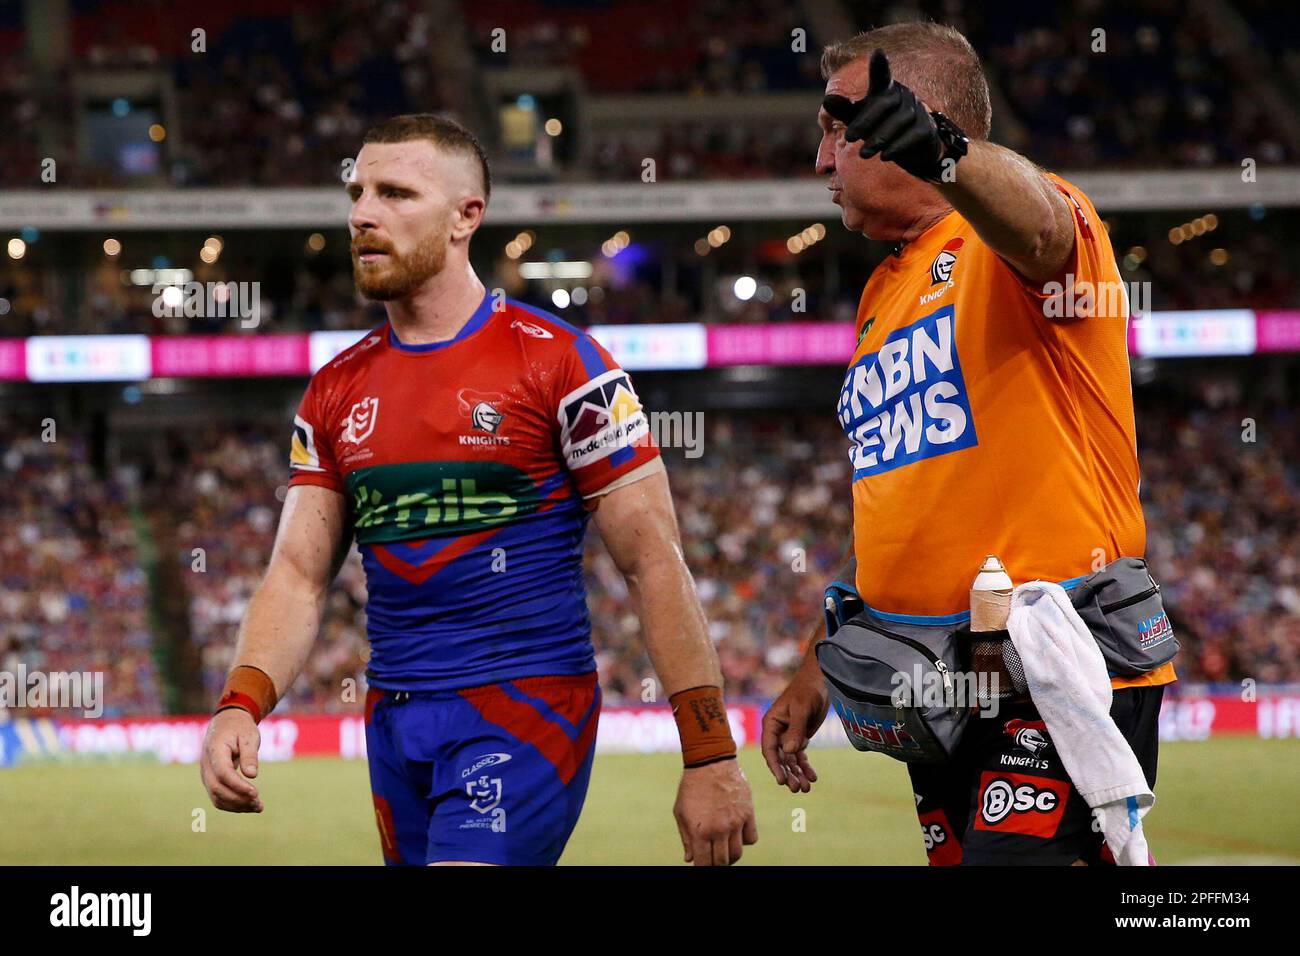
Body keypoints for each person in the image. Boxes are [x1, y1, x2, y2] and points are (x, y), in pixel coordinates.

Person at [199, 113, 757, 866]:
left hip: (524, 707)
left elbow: (652, 560)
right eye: (358, 192)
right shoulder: (334, 390)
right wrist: (241, 703)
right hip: (395, 720)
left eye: (396, 192)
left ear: (468, 216)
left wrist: (710, 752)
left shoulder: (565, 365)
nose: (363, 212)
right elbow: (298, 574)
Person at [762, 23, 1176, 865]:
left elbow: (1044, 226)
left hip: (1051, 663)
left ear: (906, 122)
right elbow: (902, 504)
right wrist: (815, 669)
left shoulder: (1020, 239)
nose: (821, 162)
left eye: (836, 129)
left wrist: (947, 155)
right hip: (937, 683)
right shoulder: (884, 289)